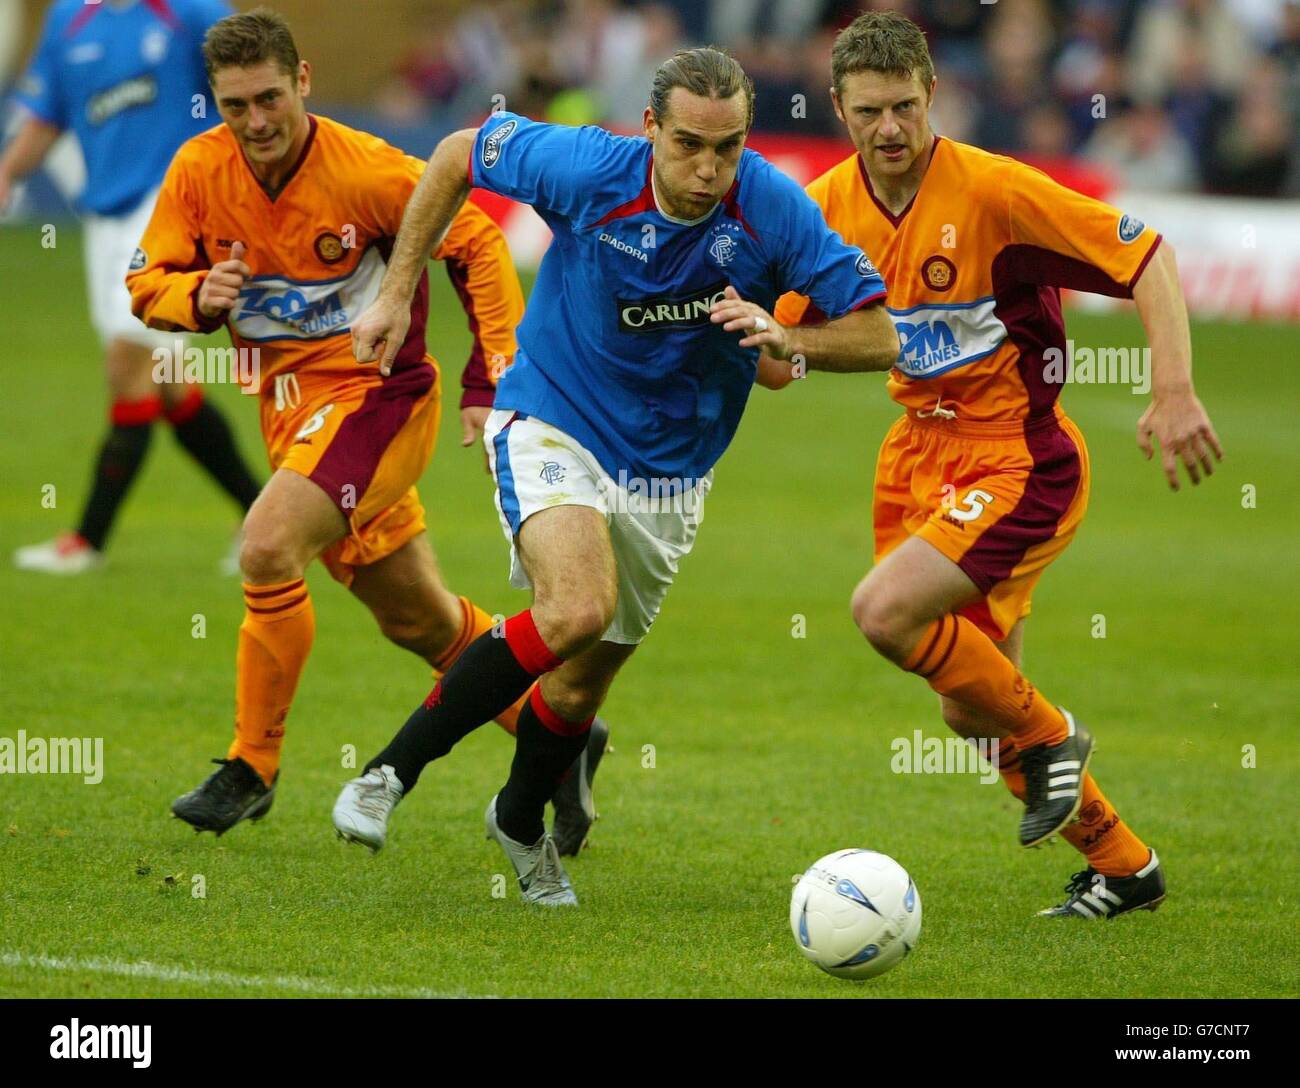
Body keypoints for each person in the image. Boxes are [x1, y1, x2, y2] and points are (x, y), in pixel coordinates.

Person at [332, 47, 900, 905]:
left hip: (671, 472)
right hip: (553, 415)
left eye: (728, 147)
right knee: (576, 608)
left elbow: (881, 334)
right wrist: (393, 291)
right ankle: (389, 771)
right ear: (650, 129)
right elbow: (455, 154)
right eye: (688, 145)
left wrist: (794, 340)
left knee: (577, 683)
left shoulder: (773, 207)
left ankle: (518, 820)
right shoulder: (588, 167)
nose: (708, 169)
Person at [765, 11, 1223, 919]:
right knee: (972, 709)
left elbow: (1147, 255)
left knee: (883, 613)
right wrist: (744, 341)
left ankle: (1056, 736)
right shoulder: (822, 211)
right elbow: (783, 360)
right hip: (916, 458)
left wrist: (1172, 389)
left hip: (1019, 457)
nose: (889, 128)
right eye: (868, 112)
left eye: (904, 106)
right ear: (838, 109)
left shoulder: (996, 191)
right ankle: (1125, 868)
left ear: (934, 94)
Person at [127, 8, 606, 850]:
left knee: (267, 546)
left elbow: (476, 241)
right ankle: (561, 739)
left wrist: (489, 378)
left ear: (303, 80)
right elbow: (147, 282)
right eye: (235, 106)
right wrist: (192, 297)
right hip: (292, 418)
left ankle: (250, 767)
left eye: (270, 98)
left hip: (379, 401)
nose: (256, 121)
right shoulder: (199, 170)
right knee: (420, 622)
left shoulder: (369, 170)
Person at [5, 0, 262, 575]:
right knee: (166, 383)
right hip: (104, 217)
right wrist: (7, 172)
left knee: (128, 364)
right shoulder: (69, 19)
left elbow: (249, 85)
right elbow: (46, 114)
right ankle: (262, 517)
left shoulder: (190, 12)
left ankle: (87, 541)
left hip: (171, 205)